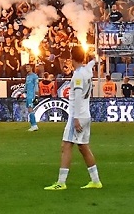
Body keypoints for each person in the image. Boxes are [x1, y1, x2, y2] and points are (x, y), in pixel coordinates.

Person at [44, 47, 102, 190]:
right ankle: (96, 181)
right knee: (83, 147)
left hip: (77, 115)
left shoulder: (78, 75)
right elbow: (93, 62)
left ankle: (61, 182)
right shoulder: (87, 70)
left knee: (66, 146)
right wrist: (95, 57)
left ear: (71, 58)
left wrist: (75, 118)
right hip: (86, 114)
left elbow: (77, 97)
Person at [25, 65, 39, 132]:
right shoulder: (27, 76)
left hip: (32, 95)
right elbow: (26, 86)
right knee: (29, 109)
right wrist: (21, 93)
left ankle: (34, 125)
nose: (27, 68)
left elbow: (36, 86)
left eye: (28, 67)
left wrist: (36, 95)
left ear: (31, 68)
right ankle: (33, 125)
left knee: (31, 109)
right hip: (28, 95)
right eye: (26, 67)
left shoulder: (34, 76)